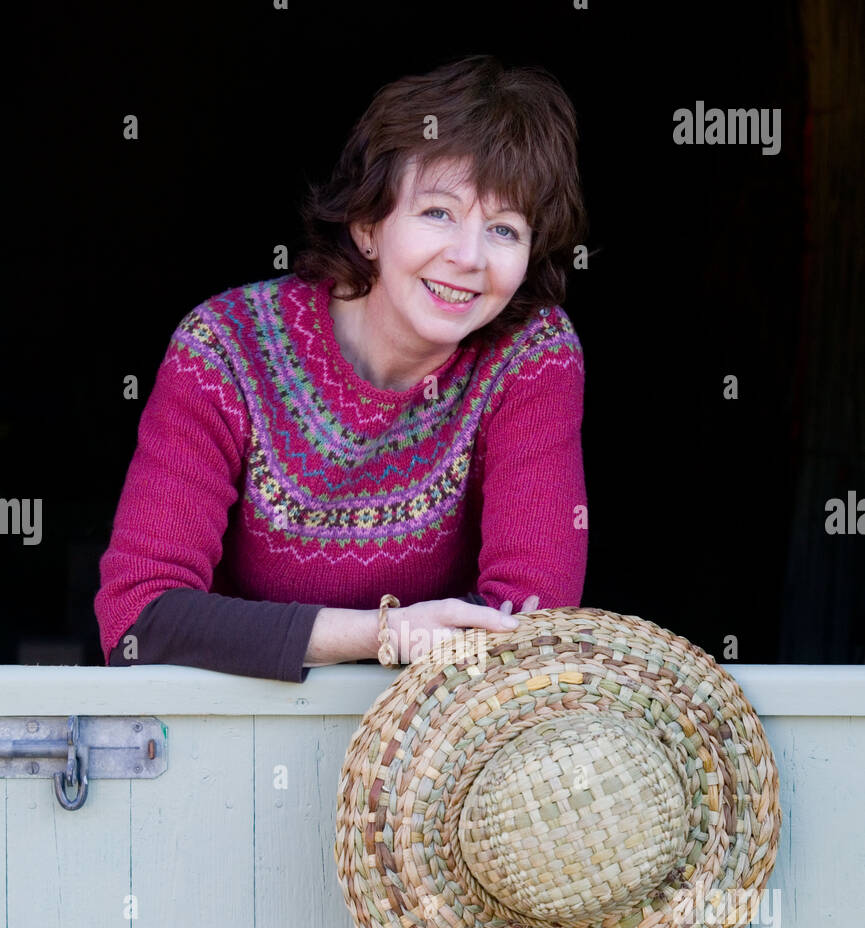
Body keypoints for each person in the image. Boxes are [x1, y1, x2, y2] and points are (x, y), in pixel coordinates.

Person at [94, 53, 590, 683]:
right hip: (238, 730)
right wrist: (383, 633)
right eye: (437, 212)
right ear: (366, 224)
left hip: (442, 744)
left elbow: (530, 621)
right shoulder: (225, 348)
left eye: (504, 229)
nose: (468, 257)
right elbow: (139, 618)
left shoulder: (529, 353)